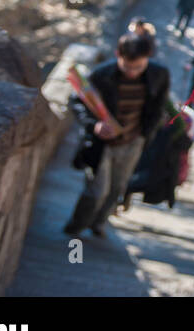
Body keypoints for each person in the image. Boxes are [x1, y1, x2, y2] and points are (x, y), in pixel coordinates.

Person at [63, 34, 169, 237]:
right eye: (127, 67)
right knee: (97, 189)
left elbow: (158, 106)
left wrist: (147, 134)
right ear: (117, 55)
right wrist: (94, 126)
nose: (132, 72)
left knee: (118, 186)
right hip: (103, 144)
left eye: (138, 67)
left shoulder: (158, 75)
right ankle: (76, 226)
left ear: (148, 58)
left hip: (133, 140)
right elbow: (77, 102)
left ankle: (99, 222)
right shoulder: (102, 75)